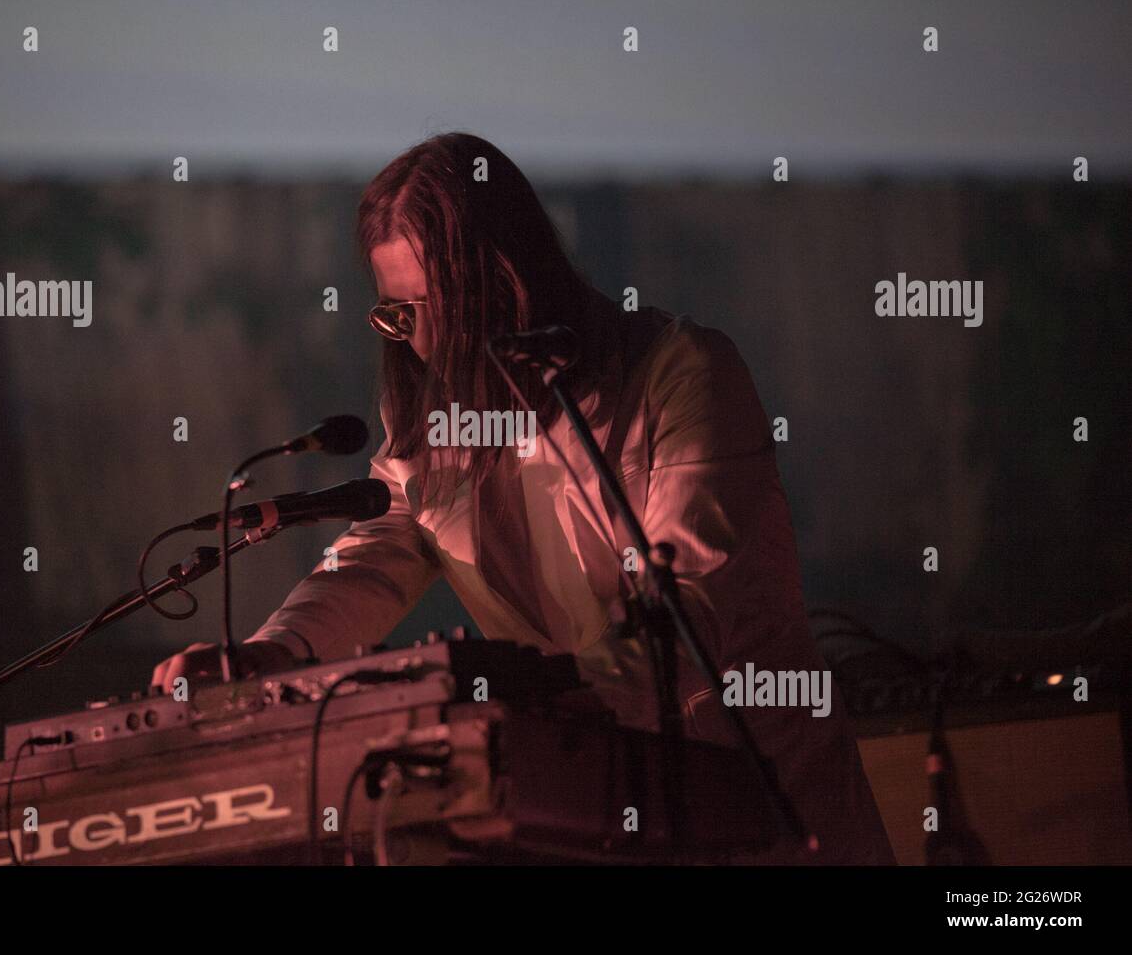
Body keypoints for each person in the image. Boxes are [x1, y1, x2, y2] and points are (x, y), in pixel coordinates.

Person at [151, 132, 895, 864]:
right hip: (587, 816)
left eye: (435, 303)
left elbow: (693, 608)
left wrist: (525, 700)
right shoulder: (437, 420)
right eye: (396, 316)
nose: (425, 341)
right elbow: (379, 549)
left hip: (761, 812)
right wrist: (272, 655)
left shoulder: (683, 375)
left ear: (508, 278)